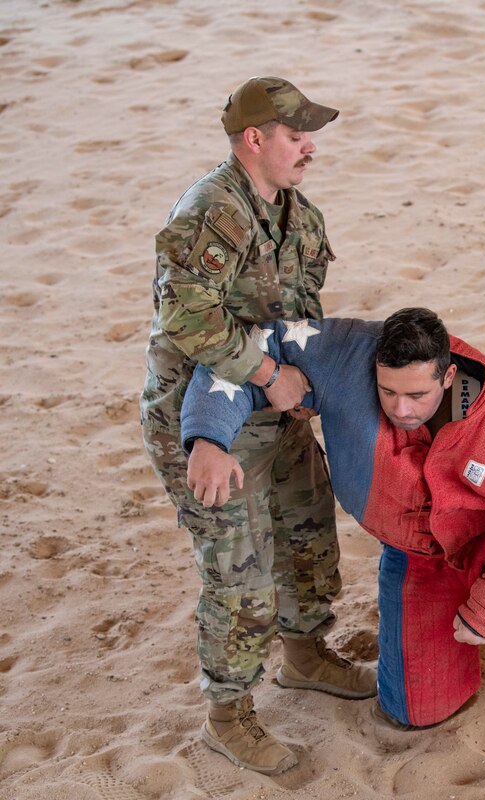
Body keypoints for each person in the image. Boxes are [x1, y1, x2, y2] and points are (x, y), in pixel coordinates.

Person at [179, 308, 485, 731]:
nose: (401, 409)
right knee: (416, 712)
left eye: (417, 395)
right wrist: (208, 439)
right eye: (388, 392)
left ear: (447, 378)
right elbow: (247, 351)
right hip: (415, 554)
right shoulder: (342, 353)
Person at [140, 76, 374, 776]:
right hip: (205, 423)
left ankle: (304, 655)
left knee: (306, 539)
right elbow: (186, 320)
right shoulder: (211, 214)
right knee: (239, 579)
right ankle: (228, 716)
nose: (310, 148)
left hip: (276, 415)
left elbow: (297, 320)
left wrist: (301, 388)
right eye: (296, 136)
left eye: (310, 136)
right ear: (254, 140)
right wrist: (271, 378)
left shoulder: (300, 216)